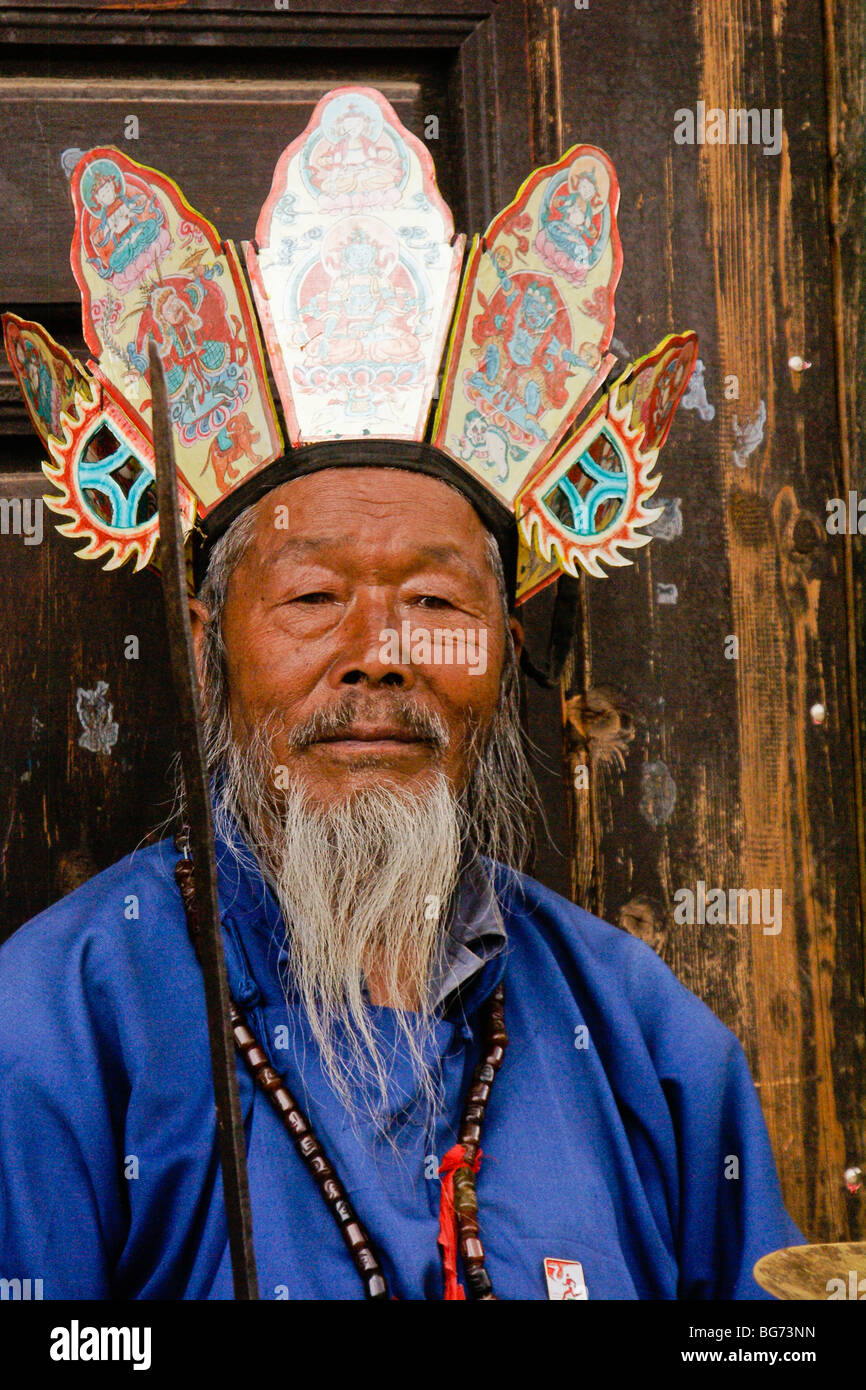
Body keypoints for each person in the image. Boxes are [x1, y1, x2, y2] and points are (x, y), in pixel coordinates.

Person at [0, 460, 803, 1300]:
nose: (379, 656)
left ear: (503, 657)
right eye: (312, 598)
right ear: (206, 653)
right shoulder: (54, 1021)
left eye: (435, 603)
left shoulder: (640, 1028)